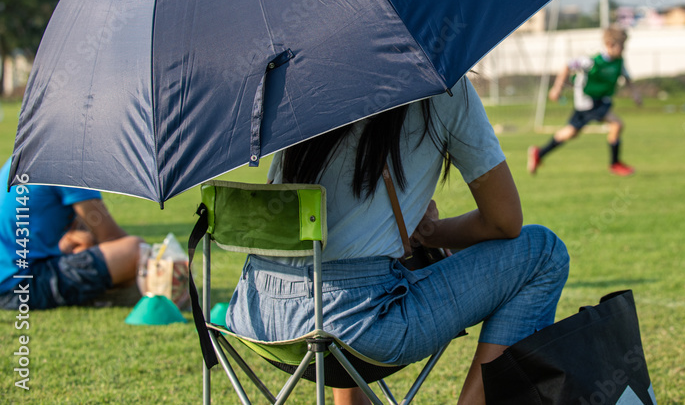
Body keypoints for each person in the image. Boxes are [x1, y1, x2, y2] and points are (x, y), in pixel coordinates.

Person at [225, 76, 570, 405]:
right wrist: (431, 233)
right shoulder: (442, 89)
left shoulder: (303, 82)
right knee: (542, 252)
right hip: (358, 331)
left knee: (344, 276)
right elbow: (504, 222)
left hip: (258, 319)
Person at [0, 156, 145, 310]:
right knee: (135, 249)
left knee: (85, 246)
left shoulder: (27, 155)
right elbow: (111, 236)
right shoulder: (67, 163)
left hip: (10, 277)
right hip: (21, 286)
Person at [527, 26, 641, 177]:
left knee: (571, 133)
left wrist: (635, 94)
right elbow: (568, 65)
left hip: (602, 100)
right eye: (622, 45)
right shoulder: (591, 61)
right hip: (587, 101)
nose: (624, 49)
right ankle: (615, 164)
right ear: (610, 44)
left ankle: (539, 153)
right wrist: (557, 88)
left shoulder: (618, 62)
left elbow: (627, 78)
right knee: (616, 124)